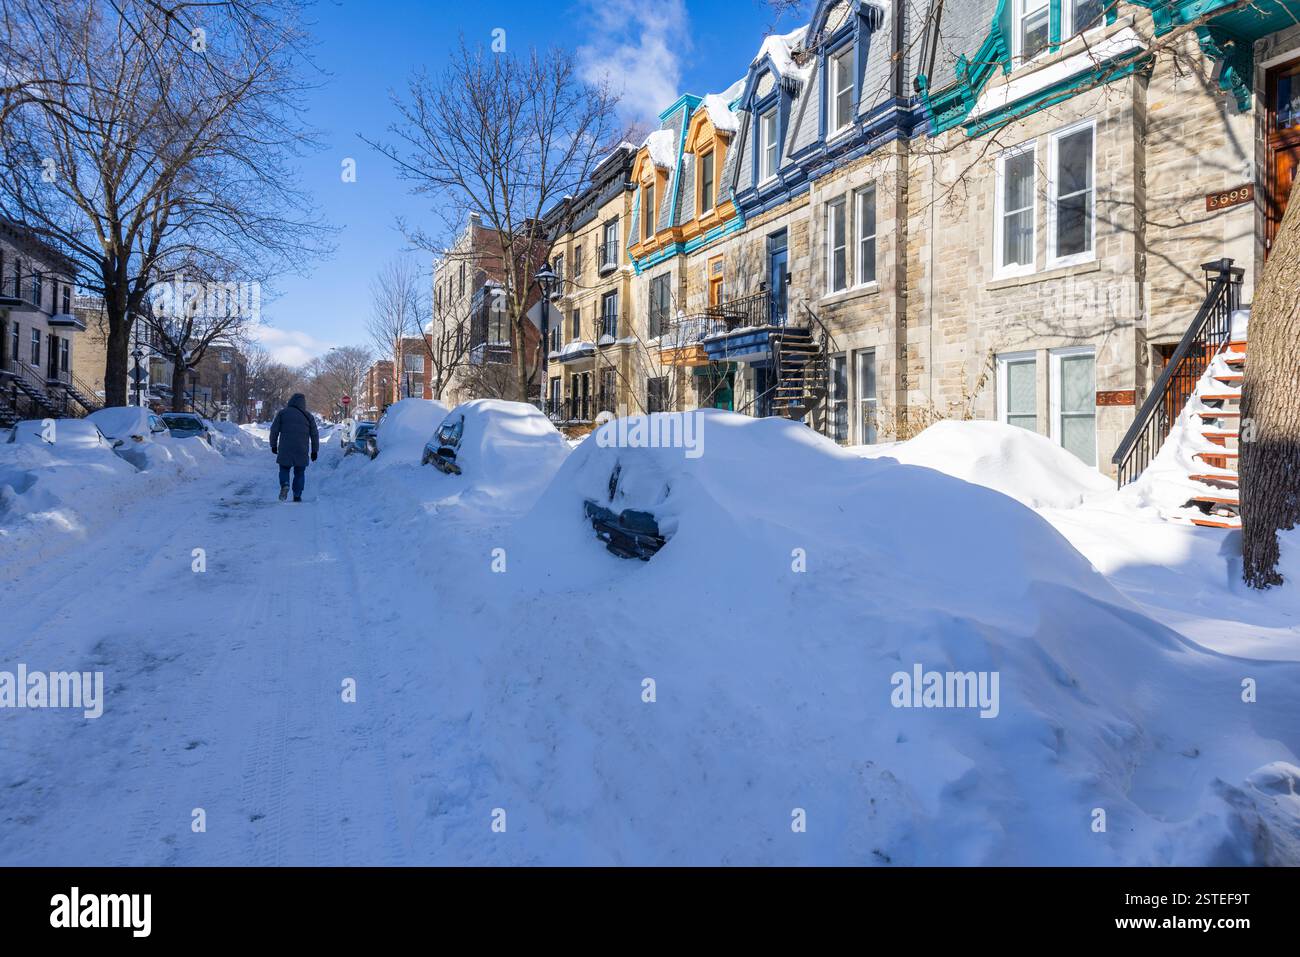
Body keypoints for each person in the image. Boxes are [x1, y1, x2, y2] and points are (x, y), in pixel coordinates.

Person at [269, 393, 319, 502]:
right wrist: (314, 451)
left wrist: (273, 445)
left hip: (285, 447)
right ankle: (297, 494)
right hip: (302, 448)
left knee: (284, 468)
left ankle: (285, 484)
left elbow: (274, 430)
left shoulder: (282, 413)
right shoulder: (308, 416)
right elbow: (315, 434)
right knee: (300, 472)